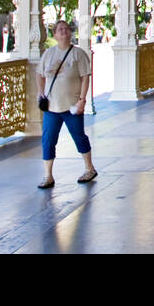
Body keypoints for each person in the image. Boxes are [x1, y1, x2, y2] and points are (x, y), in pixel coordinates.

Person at [36, 19, 97, 188]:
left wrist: (82, 100)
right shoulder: (48, 54)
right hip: (52, 106)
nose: (64, 32)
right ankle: (48, 175)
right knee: (48, 140)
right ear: (54, 35)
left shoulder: (78, 54)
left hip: (71, 105)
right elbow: (39, 74)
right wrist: (41, 93)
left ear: (70, 33)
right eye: (60, 30)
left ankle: (89, 168)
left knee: (79, 136)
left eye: (66, 29)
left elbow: (85, 77)